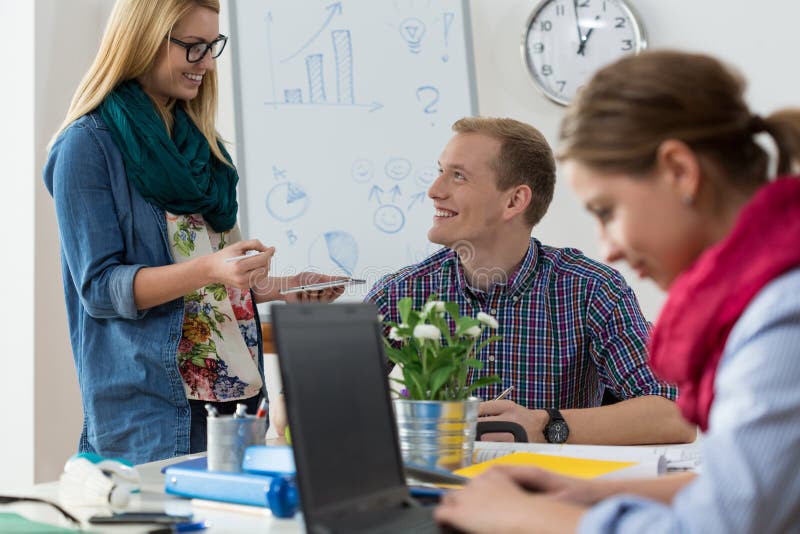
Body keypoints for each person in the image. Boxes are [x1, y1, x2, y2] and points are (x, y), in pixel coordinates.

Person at [434, 50, 800, 533]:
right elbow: (739, 492)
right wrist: (588, 492)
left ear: (679, 171)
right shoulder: (762, 298)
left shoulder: (781, 315)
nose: (608, 249)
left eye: (607, 211)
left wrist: (527, 517)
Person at [44, 0, 341, 465]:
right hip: (152, 413)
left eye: (212, 46)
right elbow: (100, 289)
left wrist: (278, 289)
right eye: (193, 47)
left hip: (235, 405)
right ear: (145, 39)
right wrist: (209, 269)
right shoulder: (87, 145)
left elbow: (208, 288)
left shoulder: (201, 144)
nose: (206, 63)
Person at [367, 116, 694, 445]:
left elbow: (674, 414)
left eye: (458, 176)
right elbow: (330, 408)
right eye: (440, 171)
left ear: (514, 201)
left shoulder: (591, 289)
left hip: (551, 490)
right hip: (443, 489)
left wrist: (544, 424)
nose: (434, 191)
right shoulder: (404, 291)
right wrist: (314, 322)